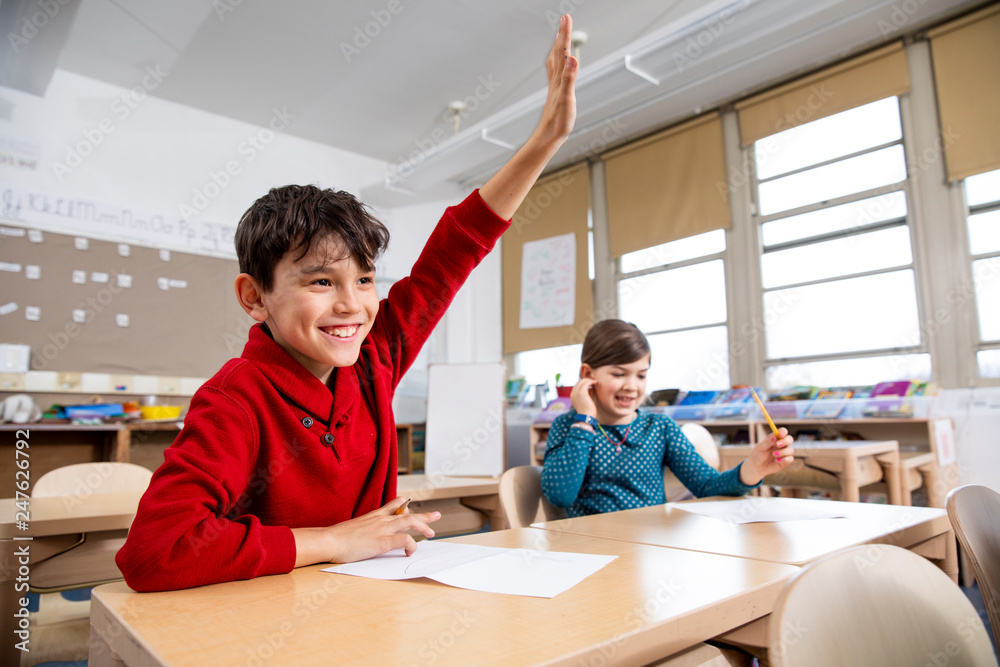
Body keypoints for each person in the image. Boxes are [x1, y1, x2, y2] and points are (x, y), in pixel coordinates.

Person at [116, 15, 579, 591]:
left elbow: (453, 255)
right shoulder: (235, 400)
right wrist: (336, 539)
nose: (352, 305)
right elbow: (155, 552)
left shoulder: (373, 357)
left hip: (366, 604)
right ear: (253, 297)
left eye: (364, 280)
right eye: (319, 282)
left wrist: (545, 142)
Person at [541, 319, 794, 517]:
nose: (632, 386)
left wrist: (752, 469)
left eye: (641, 375)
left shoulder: (659, 428)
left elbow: (706, 486)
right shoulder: (570, 426)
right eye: (619, 374)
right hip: (593, 550)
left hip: (651, 548)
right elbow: (560, 496)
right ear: (587, 374)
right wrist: (584, 419)